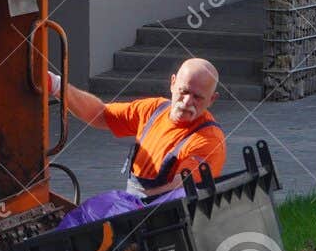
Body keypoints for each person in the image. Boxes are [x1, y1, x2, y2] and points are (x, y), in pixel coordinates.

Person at [45, 59, 226, 225]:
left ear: (212, 99)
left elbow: (175, 194)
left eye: (197, 97)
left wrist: (119, 211)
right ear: (172, 83)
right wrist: (55, 85)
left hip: (162, 223)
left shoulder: (209, 140)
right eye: (184, 91)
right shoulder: (154, 110)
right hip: (132, 212)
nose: (187, 102)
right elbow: (100, 115)